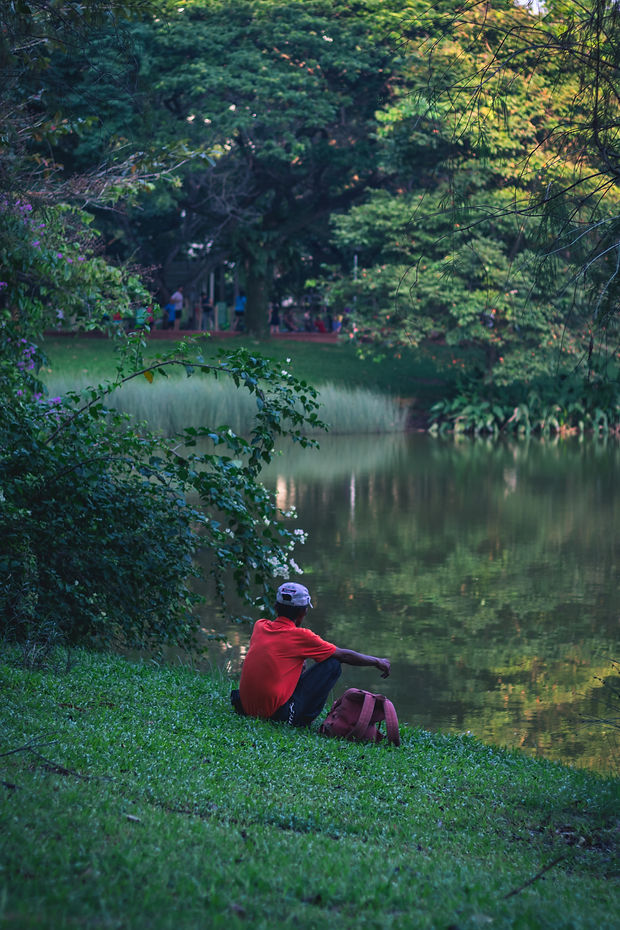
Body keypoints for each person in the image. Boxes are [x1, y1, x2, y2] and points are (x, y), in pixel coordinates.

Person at [231, 581, 391, 727]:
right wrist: (377, 661)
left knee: (300, 662)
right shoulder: (301, 636)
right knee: (332, 664)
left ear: (275, 607)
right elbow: (343, 655)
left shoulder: (260, 626)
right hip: (278, 716)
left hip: (245, 708)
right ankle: (303, 719)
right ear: (303, 612)